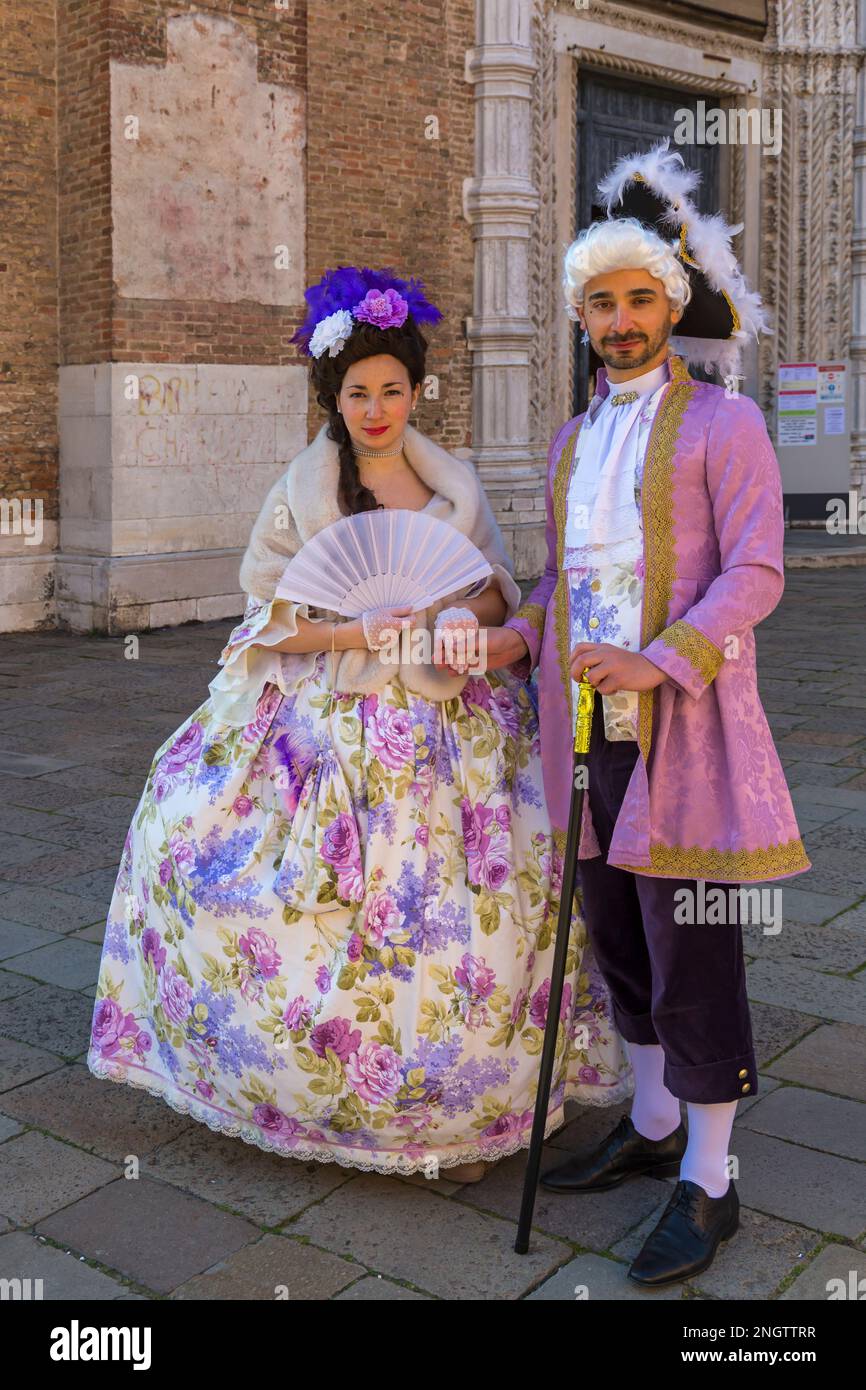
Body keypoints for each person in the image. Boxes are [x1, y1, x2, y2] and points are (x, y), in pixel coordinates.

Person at [86, 265, 630, 1182]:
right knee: (283, 891)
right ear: (332, 398)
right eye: (357, 392)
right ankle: (309, 1094)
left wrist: (470, 621)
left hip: (451, 726)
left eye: (392, 390)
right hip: (327, 722)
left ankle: (456, 1120)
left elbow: (499, 592)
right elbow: (268, 616)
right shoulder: (303, 490)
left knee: (460, 924)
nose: (376, 409)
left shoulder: (453, 487)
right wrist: (354, 628)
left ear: (416, 391)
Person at [485, 141, 810, 1285]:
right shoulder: (572, 440)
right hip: (578, 731)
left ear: (669, 304)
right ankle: (654, 1123)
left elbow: (757, 571)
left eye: (636, 299)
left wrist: (660, 660)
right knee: (614, 934)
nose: (617, 319)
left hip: (682, 727)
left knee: (691, 951)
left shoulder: (726, 426)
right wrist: (520, 634)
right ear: (577, 312)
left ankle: (710, 1182)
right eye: (598, 301)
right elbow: (561, 579)